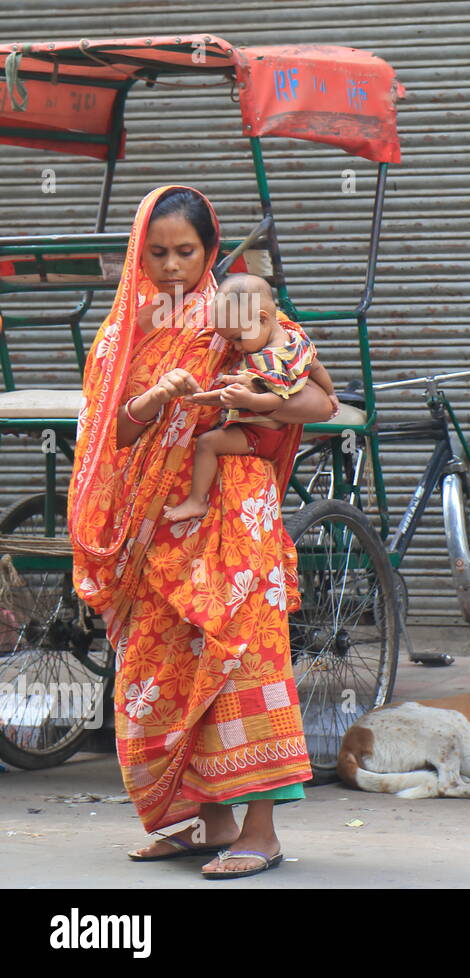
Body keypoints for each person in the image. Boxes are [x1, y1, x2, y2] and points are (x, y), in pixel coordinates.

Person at [69, 186, 336, 880]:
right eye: (156, 252)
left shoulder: (238, 309)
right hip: (156, 532)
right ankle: (207, 822)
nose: (171, 266)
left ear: (209, 250)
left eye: (185, 251)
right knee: (163, 673)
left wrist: (254, 401)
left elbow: (320, 397)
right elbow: (108, 434)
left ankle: (261, 831)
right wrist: (154, 400)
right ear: (138, 252)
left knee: (241, 662)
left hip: (233, 520)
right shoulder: (121, 333)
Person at [162, 273, 334, 522]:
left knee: (207, 444)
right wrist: (331, 391)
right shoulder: (295, 338)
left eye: (238, 338)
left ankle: (196, 501)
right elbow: (315, 366)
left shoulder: (268, 360)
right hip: (269, 431)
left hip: (260, 436)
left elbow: (275, 401)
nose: (236, 347)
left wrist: (249, 402)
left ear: (263, 319)